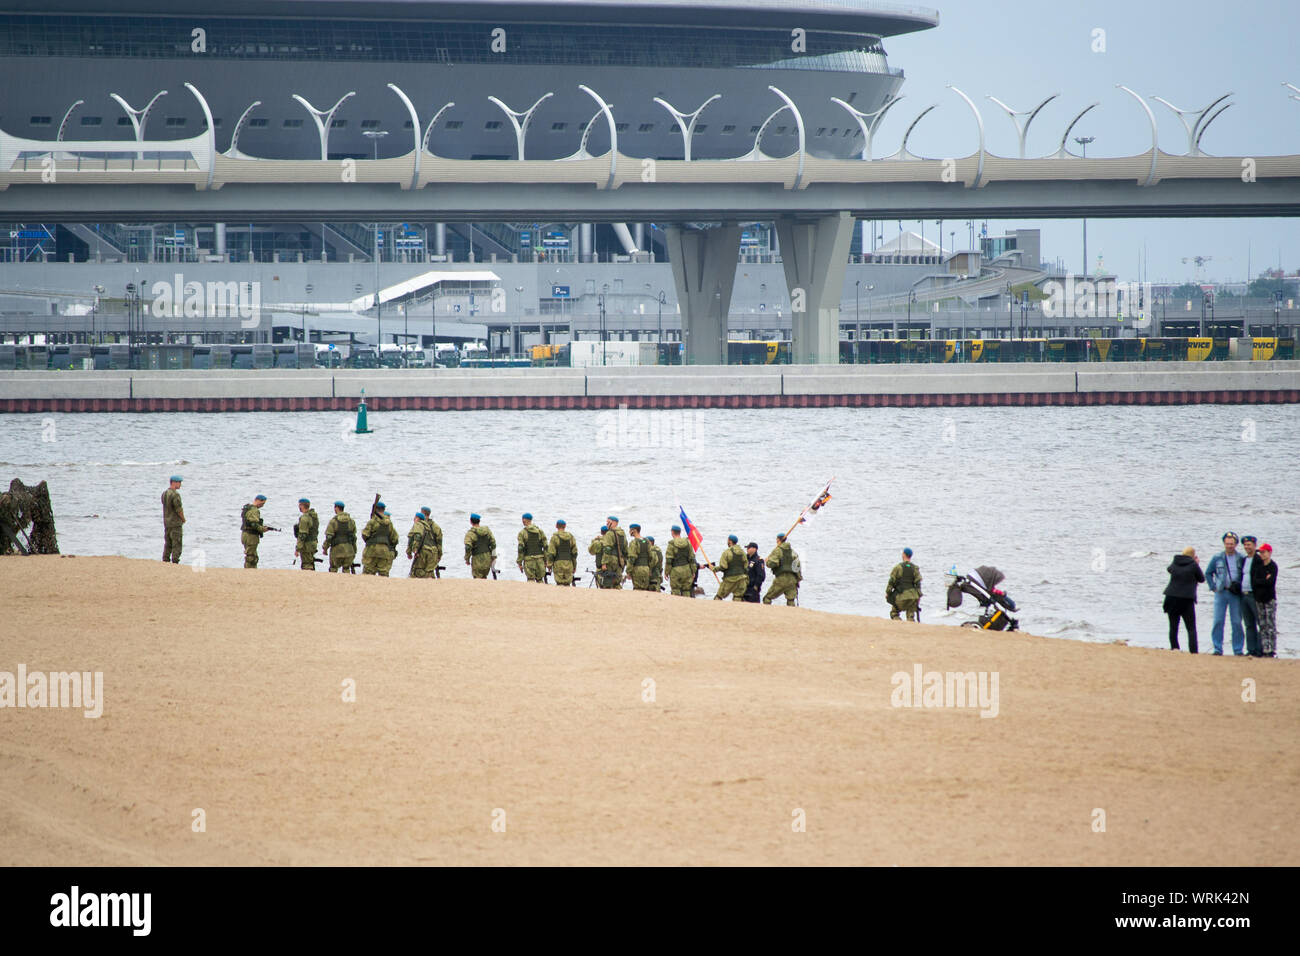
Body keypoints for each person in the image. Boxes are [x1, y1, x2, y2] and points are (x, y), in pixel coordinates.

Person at [1206, 532, 1246, 655]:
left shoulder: (1241, 558)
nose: (1229, 546)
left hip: (1235, 594)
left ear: (1236, 544)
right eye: (1227, 543)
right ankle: (1217, 648)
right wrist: (1213, 587)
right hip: (1221, 593)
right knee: (1218, 621)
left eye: (1232, 544)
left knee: (1236, 622)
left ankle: (1238, 650)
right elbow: (1208, 573)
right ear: (1224, 543)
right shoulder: (1217, 557)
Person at [1163, 546, 1205, 653]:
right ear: (1193, 555)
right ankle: (1193, 651)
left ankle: (1174, 648)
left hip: (1171, 597)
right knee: (1191, 628)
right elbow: (1201, 579)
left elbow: (1169, 569)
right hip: (1186, 599)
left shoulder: (1176, 561)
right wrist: (1196, 564)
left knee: (1173, 626)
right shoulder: (1193, 565)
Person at [1253, 544, 1279, 658]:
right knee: (1262, 625)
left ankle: (1272, 649)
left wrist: (1262, 581)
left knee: (1270, 624)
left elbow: (1271, 582)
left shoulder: (1273, 566)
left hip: (1270, 599)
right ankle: (1265, 649)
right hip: (1259, 599)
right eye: (1261, 552)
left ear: (1269, 552)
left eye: (1264, 552)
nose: (1262, 554)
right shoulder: (1258, 566)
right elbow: (1255, 581)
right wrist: (1264, 580)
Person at [361, 501, 399, 576]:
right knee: (383, 574)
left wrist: (370, 541)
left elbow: (365, 535)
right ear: (384, 510)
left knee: (368, 573)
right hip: (384, 551)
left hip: (371, 550)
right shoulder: (389, 523)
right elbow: (395, 538)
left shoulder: (372, 521)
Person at [763, 533, 801, 606]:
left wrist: (767, 561)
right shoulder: (793, 552)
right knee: (791, 600)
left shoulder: (778, 550)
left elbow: (772, 564)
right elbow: (798, 567)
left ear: (778, 539)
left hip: (782, 578)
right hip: (793, 579)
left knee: (767, 598)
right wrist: (797, 580)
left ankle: (766, 614)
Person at [886, 547, 923, 622]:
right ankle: (910, 623)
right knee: (911, 615)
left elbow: (891, 581)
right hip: (913, 597)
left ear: (903, 555)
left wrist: (888, 593)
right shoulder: (915, 568)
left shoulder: (898, 567)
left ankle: (898, 624)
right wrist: (919, 596)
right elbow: (918, 583)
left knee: (894, 613)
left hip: (901, 597)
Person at [1239, 535, 1261, 657]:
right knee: (1248, 624)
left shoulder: (1258, 559)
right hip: (1244, 594)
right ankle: (1251, 649)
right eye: (1245, 545)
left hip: (1254, 595)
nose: (1247, 547)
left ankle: (1259, 650)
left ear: (1254, 545)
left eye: (1249, 545)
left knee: (1260, 623)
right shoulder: (1244, 559)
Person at [321, 501, 357, 573]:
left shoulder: (333, 521)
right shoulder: (351, 521)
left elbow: (329, 537)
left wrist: (325, 548)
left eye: (334, 507)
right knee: (346, 569)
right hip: (349, 551)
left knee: (333, 569)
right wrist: (354, 550)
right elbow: (353, 538)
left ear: (337, 508)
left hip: (336, 551)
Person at [712, 534, 748, 601]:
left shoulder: (727, 552)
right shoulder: (742, 552)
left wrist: (714, 569)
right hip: (741, 579)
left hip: (729, 579)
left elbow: (723, 566)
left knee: (719, 597)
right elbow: (746, 566)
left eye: (728, 540)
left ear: (730, 541)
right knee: (738, 598)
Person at [665, 525, 696, 597]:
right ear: (680, 532)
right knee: (686, 590)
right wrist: (693, 570)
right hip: (687, 569)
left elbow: (669, 560)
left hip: (675, 570)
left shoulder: (671, 544)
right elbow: (692, 558)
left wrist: (667, 572)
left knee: (675, 591)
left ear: (672, 532)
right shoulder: (688, 542)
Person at [517, 513, 548, 583]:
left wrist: (519, 562)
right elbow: (546, 547)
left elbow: (520, 548)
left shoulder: (522, 533)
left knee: (530, 580)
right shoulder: (540, 531)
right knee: (540, 580)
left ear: (524, 520)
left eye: (523, 519)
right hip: (540, 560)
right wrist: (546, 560)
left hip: (529, 560)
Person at [240, 494, 269, 568]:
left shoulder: (248, 508)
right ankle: (249, 572)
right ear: (257, 500)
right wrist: (262, 529)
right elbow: (253, 524)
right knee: (251, 556)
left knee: (252, 555)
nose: (262, 505)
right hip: (251, 536)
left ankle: (251, 571)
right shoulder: (254, 510)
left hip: (245, 535)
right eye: (262, 503)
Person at [599, 516, 629, 589]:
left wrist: (604, 563)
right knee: (617, 582)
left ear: (614, 523)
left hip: (610, 561)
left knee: (608, 582)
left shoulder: (610, 533)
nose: (607, 524)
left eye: (608, 522)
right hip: (619, 561)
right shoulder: (622, 534)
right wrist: (625, 562)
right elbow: (625, 550)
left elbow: (607, 549)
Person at [464, 513, 496, 579]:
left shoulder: (470, 533)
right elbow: (493, 544)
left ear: (470, 521)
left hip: (477, 559)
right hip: (487, 558)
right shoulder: (487, 531)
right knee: (484, 577)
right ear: (479, 521)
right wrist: (493, 557)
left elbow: (468, 547)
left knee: (477, 579)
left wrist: (467, 559)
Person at [547, 519, 579, 586]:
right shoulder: (571, 537)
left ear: (556, 526)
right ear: (565, 526)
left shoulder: (554, 537)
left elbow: (551, 553)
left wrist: (549, 565)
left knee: (559, 583)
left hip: (558, 563)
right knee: (567, 583)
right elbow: (574, 553)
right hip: (569, 562)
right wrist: (574, 565)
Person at [161, 474, 185, 563]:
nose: (180, 484)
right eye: (179, 482)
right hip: (175, 523)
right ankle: (175, 561)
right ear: (174, 483)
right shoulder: (175, 494)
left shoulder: (164, 493)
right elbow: (179, 509)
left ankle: (165, 560)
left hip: (167, 522)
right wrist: (183, 519)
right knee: (177, 543)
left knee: (168, 543)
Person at [293, 498, 319, 571]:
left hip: (306, 544)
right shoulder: (314, 516)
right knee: (310, 562)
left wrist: (298, 548)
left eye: (299, 505)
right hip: (313, 543)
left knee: (306, 565)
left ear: (301, 505)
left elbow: (302, 535)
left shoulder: (304, 518)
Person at [625, 524, 654, 590]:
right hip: (646, 568)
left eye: (630, 530)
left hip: (637, 569)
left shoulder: (634, 542)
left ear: (634, 531)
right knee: (645, 588)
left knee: (637, 588)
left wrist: (628, 571)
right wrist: (650, 569)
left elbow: (632, 558)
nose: (629, 532)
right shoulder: (646, 541)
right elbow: (651, 557)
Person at [420, 507, 443, 578]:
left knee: (419, 571)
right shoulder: (436, 526)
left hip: (421, 551)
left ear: (422, 513)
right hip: (433, 552)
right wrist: (439, 555)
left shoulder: (419, 525)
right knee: (430, 571)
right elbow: (439, 542)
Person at [406, 512, 428, 577]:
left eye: (415, 517)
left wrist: (415, 550)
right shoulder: (426, 526)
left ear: (417, 518)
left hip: (421, 551)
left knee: (416, 571)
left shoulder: (418, 525)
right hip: (429, 551)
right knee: (427, 571)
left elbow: (417, 537)